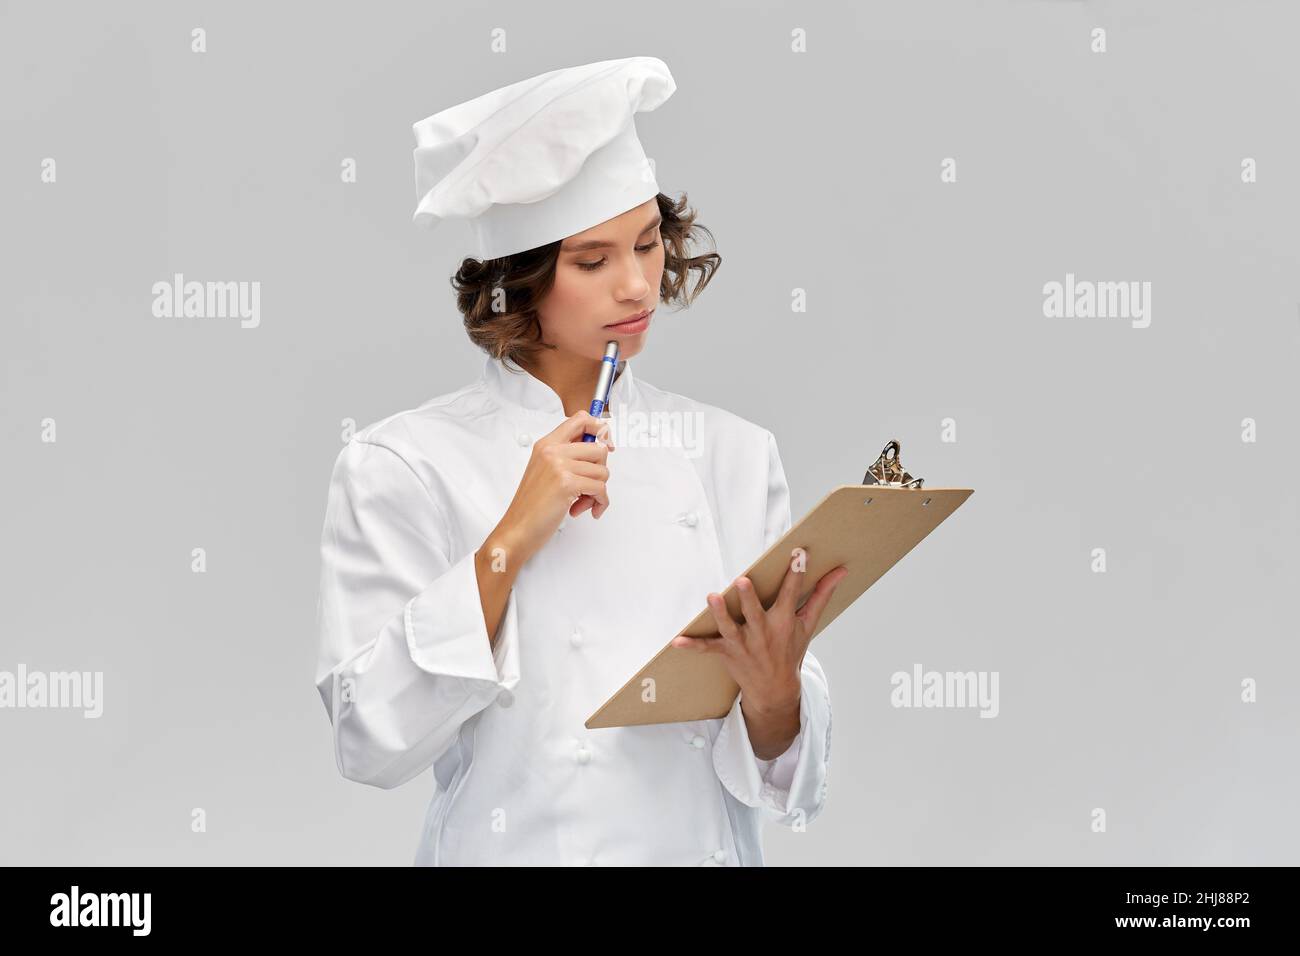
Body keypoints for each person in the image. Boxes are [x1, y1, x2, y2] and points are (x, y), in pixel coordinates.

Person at [314, 56, 848, 866]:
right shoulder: (403, 463)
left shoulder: (732, 453)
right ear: (518, 285)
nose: (637, 287)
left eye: (647, 244)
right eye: (593, 261)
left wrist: (777, 697)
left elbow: (789, 779)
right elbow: (369, 739)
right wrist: (512, 538)